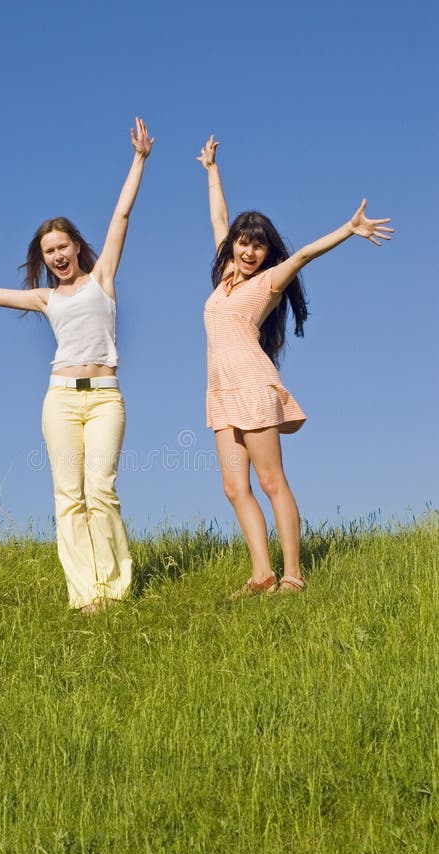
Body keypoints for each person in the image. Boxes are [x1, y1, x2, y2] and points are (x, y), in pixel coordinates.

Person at [0, 118, 155, 616]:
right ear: (43, 259)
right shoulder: (44, 298)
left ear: (77, 247)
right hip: (59, 398)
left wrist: (139, 160)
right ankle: (86, 596)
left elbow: (121, 216)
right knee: (68, 496)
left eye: (62, 247)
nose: (57, 255)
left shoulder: (103, 279)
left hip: (104, 397)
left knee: (100, 489)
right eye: (48, 251)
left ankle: (115, 589)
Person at [197, 135, 393, 594]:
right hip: (221, 394)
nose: (248, 251)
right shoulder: (225, 276)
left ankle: (292, 575)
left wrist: (349, 229)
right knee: (233, 487)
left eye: (258, 247)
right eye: (243, 244)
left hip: (252, 387)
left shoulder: (267, 283)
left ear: (268, 254)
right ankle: (261, 574)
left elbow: (304, 254)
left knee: (270, 480)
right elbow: (218, 219)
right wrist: (211, 171)